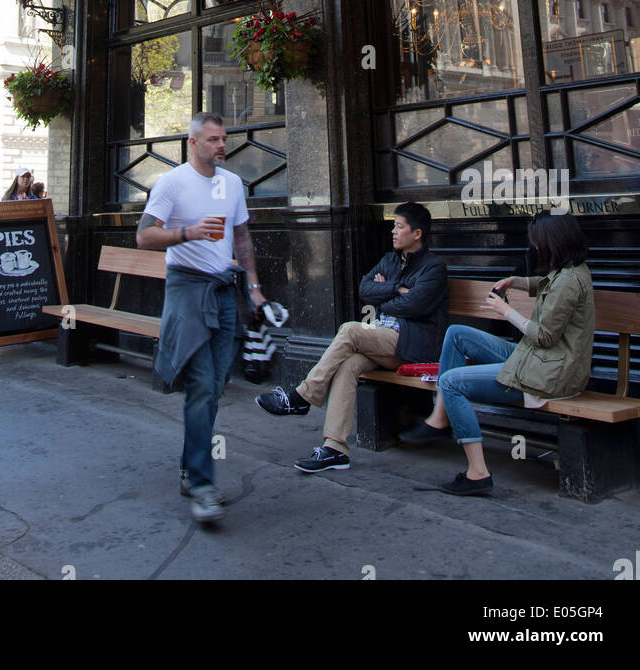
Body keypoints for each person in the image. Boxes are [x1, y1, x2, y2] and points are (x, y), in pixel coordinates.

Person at [398, 212, 595, 497]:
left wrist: (507, 312)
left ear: (554, 243)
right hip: (538, 358)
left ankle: (477, 473)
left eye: (539, 243)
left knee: (452, 382)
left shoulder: (568, 281)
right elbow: (546, 286)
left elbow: (544, 335)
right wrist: (518, 281)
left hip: (548, 373)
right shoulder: (571, 271)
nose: (536, 248)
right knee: (457, 334)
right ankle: (440, 418)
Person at [137, 112, 266, 525]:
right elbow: (143, 235)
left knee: (215, 384)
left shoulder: (233, 184)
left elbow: (242, 237)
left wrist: (254, 286)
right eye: (212, 139)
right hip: (188, 290)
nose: (221, 145)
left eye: (223, 138)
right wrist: (187, 233)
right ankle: (202, 483)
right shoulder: (171, 183)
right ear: (193, 143)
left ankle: (189, 468)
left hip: (225, 291)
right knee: (200, 385)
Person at [255, 203, 448, 474]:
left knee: (349, 330)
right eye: (393, 225)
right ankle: (335, 449)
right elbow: (365, 289)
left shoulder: (433, 268)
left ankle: (302, 397)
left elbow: (414, 306)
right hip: (384, 339)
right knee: (348, 366)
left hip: (411, 345)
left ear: (417, 234)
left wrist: (385, 296)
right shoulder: (391, 259)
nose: (393, 231)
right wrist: (394, 289)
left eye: (399, 226)